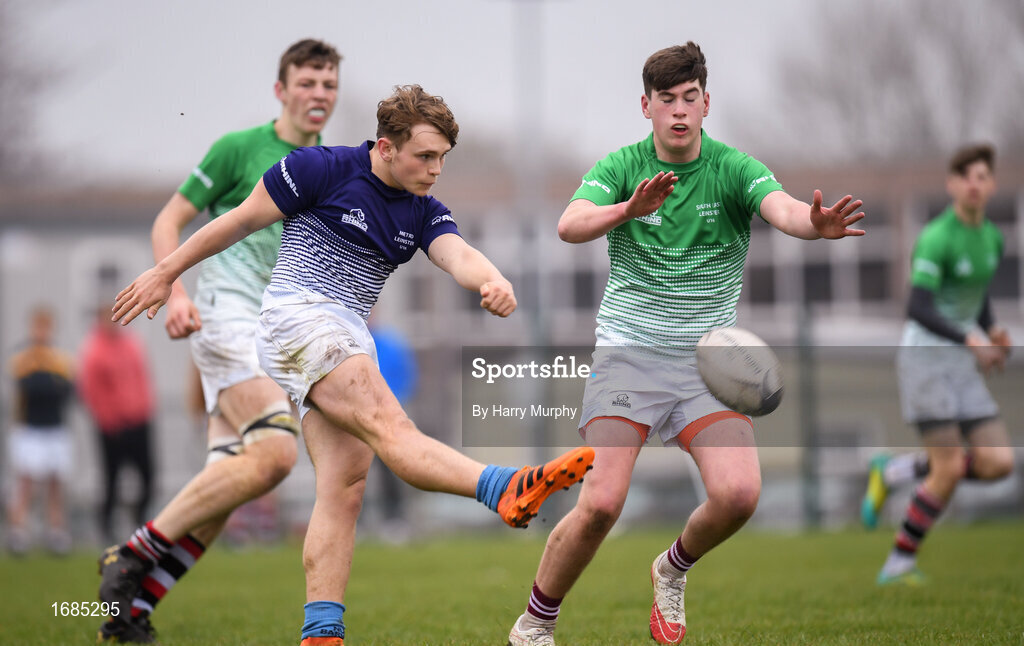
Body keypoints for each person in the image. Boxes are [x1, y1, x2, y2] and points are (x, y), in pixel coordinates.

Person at [108, 83, 595, 646]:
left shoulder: (422, 210)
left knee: (344, 487)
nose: (436, 169)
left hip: (345, 334)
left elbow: (456, 253)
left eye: (442, 158)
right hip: (300, 321)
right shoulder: (320, 169)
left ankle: (321, 634)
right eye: (425, 156)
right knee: (394, 431)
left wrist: (491, 279)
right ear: (386, 147)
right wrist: (167, 272)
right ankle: (503, 488)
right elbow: (239, 221)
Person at [505, 42, 866, 646]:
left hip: (709, 362)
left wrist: (814, 224)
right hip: (628, 353)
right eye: (666, 99)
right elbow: (569, 225)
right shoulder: (623, 165)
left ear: (706, 103)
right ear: (645, 106)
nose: (679, 110)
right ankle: (536, 623)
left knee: (739, 494)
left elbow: (782, 209)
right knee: (600, 505)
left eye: (689, 98)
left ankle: (671, 568)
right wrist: (627, 208)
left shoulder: (732, 167)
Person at [95, 38, 343, 644]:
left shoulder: (332, 166)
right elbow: (169, 220)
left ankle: (130, 613)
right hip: (224, 315)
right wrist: (174, 291)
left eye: (329, 84)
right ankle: (130, 554)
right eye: (307, 83)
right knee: (277, 455)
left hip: (277, 334)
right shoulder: (240, 149)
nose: (319, 94)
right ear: (281, 91)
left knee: (235, 478)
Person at [861, 143, 1014, 585]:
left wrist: (993, 329)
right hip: (925, 360)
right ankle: (898, 563)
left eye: (982, 176)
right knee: (947, 468)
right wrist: (972, 339)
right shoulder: (936, 237)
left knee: (998, 462)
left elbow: (976, 292)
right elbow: (919, 306)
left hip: (962, 363)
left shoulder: (991, 238)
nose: (974, 184)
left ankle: (896, 471)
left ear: (991, 184)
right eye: (965, 176)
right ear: (951, 185)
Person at [79, 304, 156, 546]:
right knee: (111, 479)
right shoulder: (93, 351)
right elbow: (91, 392)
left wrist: (145, 409)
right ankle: (105, 526)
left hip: (139, 421)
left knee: (148, 475)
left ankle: (139, 518)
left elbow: (143, 379)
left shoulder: (132, 344)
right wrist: (109, 421)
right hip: (112, 428)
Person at [5, 306, 75, 556]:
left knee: (56, 482)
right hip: (30, 428)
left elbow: (68, 391)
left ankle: (56, 531)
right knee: (25, 481)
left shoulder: (59, 359)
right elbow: (31, 388)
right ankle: (18, 531)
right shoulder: (23, 358)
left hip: (55, 428)